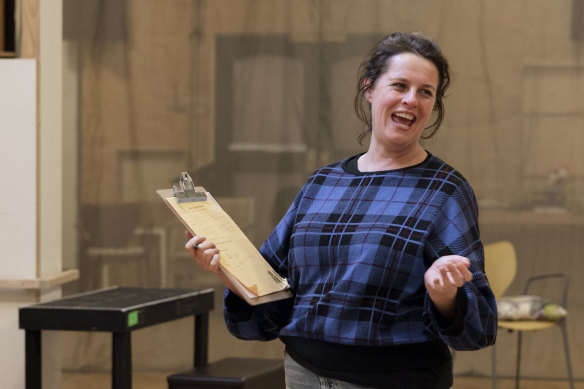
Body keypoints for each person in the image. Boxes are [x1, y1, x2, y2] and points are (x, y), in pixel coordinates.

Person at [185, 32, 497, 389]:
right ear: (369, 89)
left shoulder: (445, 191)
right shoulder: (322, 183)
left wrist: (446, 297)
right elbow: (271, 287)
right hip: (301, 374)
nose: (411, 99)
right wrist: (225, 268)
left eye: (425, 91)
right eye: (399, 85)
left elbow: (479, 326)